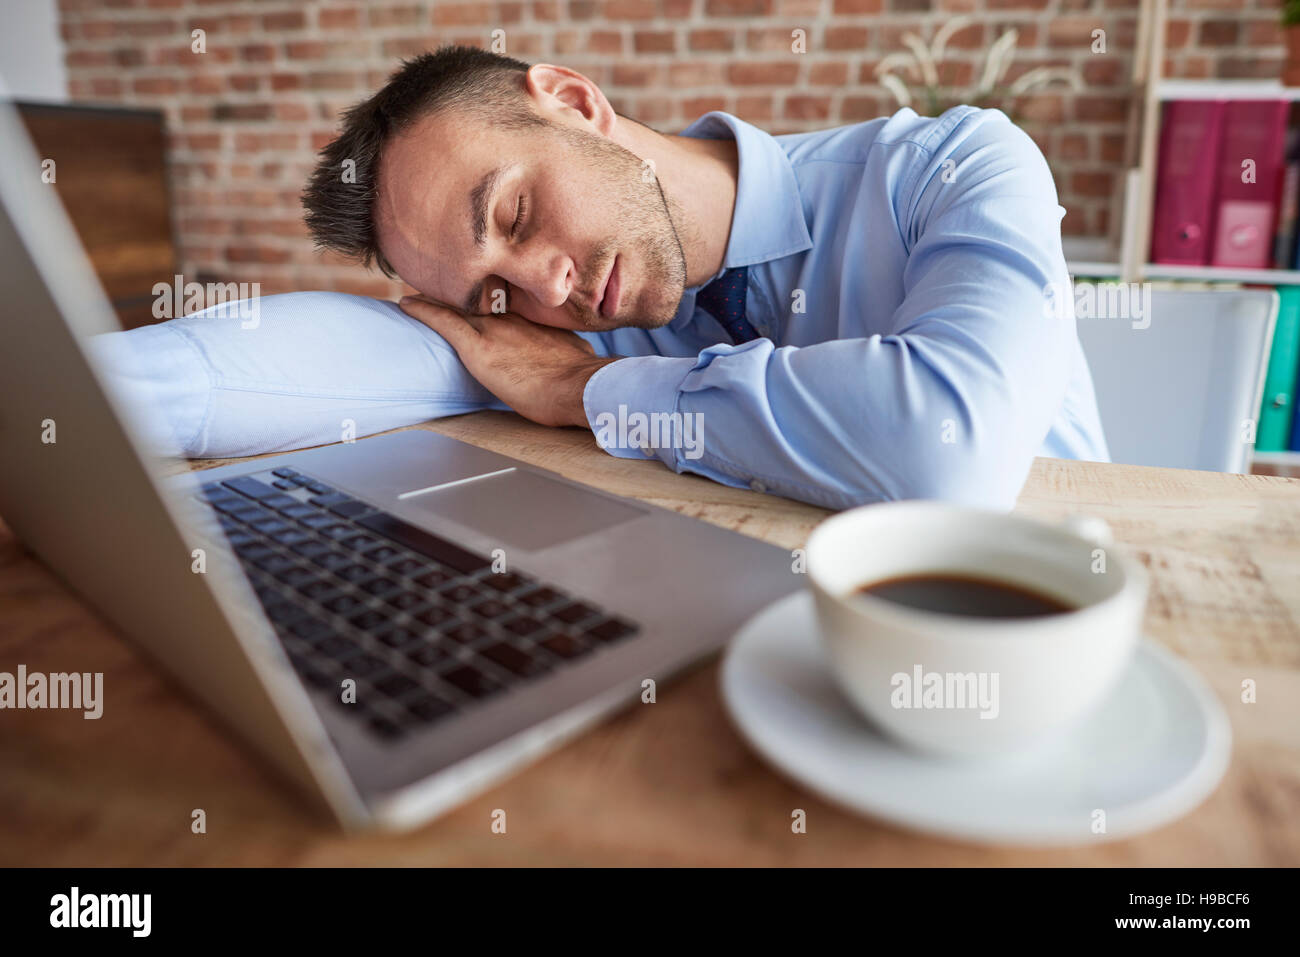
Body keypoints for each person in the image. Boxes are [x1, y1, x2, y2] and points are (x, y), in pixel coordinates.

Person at [299, 45, 1109, 511]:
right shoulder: (563, 328)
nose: (547, 288)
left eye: (513, 215)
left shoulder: (950, 169)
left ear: (574, 101)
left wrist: (593, 392)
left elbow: (945, 452)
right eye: (495, 294)